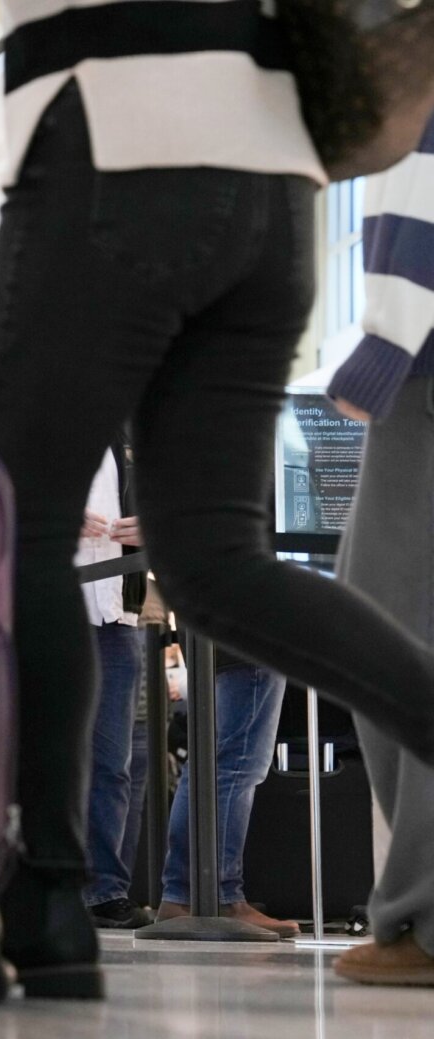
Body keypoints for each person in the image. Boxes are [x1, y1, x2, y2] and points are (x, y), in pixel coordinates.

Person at [0, 0, 434, 1002]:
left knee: (23, 533)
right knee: (217, 565)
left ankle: (39, 905)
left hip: (115, 136)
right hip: (277, 182)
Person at [330, 116, 434, 986]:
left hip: (426, 386)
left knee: (385, 632)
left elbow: (423, 199)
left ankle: (427, 921)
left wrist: (379, 357)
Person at [154, 655, 295, 938]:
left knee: (213, 762)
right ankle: (221, 897)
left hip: (223, 643)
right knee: (237, 763)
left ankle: (183, 894)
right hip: (248, 640)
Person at [78, 438, 150, 929]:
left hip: (117, 614)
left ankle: (105, 891)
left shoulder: (127, 440)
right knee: (47, 758)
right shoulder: (39, 428)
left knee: (113, 765)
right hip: (55, 604)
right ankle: (43, 886)